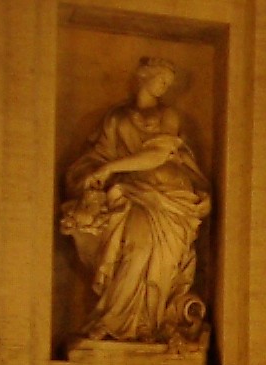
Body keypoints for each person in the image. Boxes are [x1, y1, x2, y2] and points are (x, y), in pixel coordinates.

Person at [59, 57, 212, 347]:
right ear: (143, 77)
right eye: (161, 79)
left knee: (162, 264)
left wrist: (110, 169)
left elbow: (156, 155)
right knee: (137, 249)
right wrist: (95, 175)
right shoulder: (116, 118)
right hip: (132, 196)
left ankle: (149, 325)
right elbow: (98, 156)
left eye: (168, 83)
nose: (164, 87)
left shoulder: (168, 116)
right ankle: (114, 320)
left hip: (171, 199)